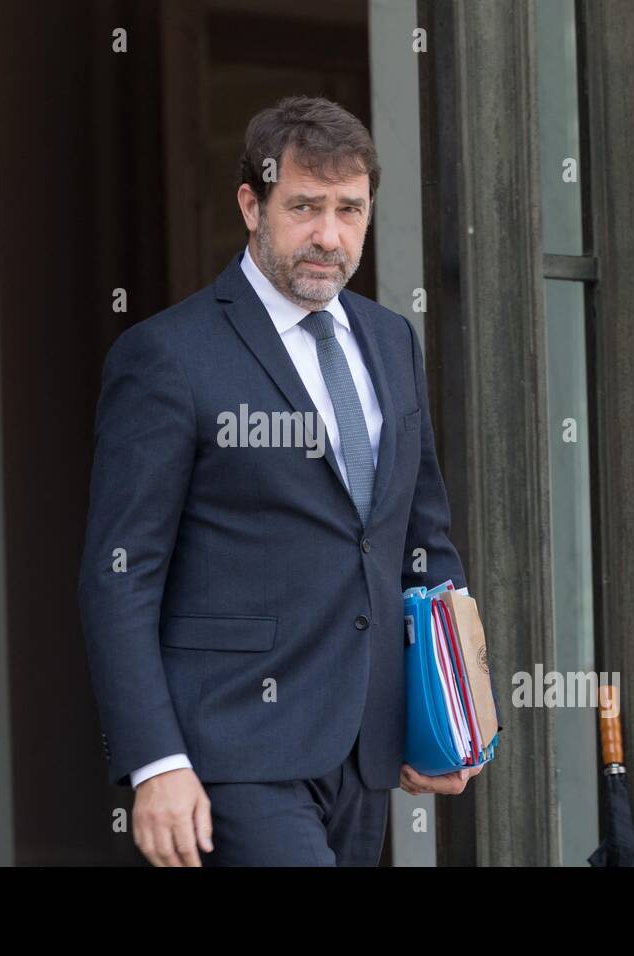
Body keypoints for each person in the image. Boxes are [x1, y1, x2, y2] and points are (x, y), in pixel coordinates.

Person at [78, 95, 480, 867]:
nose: (329, 235)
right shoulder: (167, 355)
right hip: (232, 752)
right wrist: (157, 763)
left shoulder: (391, 339)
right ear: (250, 205)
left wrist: (448, 709)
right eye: (304, 207)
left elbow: (422, 543)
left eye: (349, 209)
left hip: (366, 751)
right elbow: (118, 576)